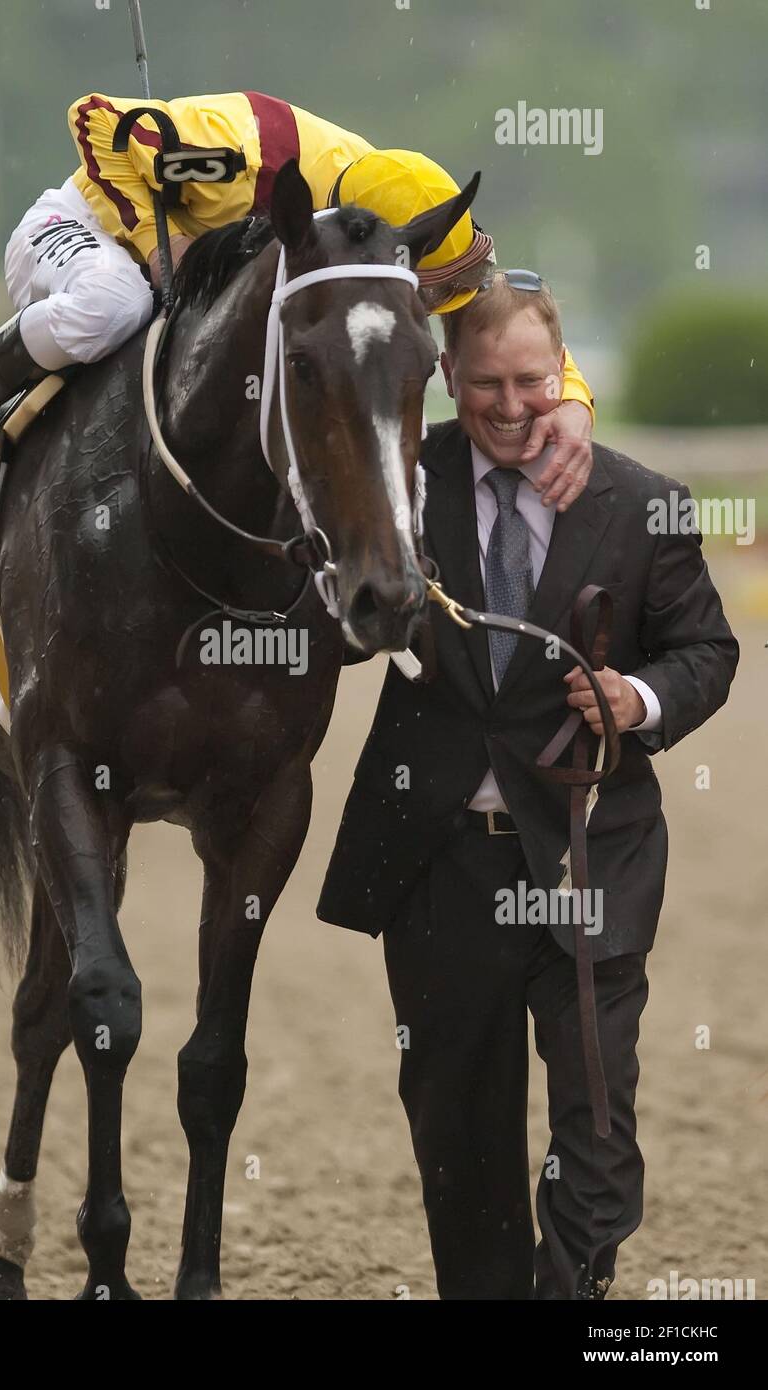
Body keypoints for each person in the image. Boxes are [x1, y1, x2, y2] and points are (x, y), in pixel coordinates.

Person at [316, 271, 739, 1300]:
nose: (511, 407)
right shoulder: (400, 485)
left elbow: (707, 651)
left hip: (592, 850)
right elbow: (326, 612)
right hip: (437, 861)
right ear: (448, 380)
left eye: (532, 383)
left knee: (595, 1113)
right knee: (455, 1116)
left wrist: (635, 699)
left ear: (566, 376)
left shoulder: (643, 504)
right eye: (486, 385)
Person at [0, 92, 595, 525]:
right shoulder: (238, 153)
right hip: (79, 229)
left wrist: (570, 398)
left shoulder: (407, 198)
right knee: (115, 304)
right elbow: (93, 120)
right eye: (430, 287)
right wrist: (159, 246)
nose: (440, 302)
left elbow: (503, 324)